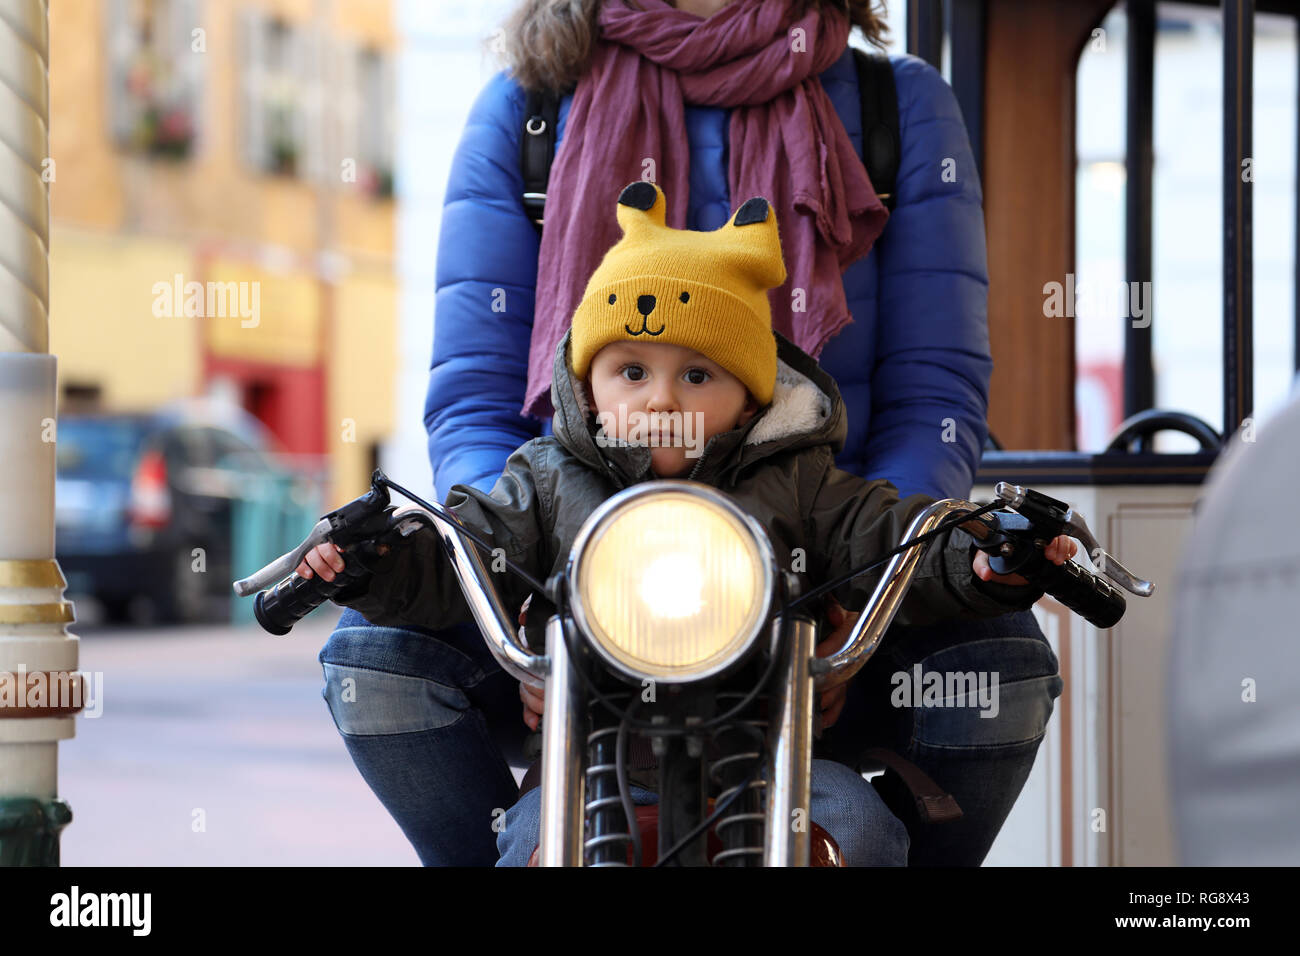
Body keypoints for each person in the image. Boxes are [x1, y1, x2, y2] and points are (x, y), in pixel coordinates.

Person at [319, 0, 1065, 867]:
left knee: (1000, 668)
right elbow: (479, 399)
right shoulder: (527, 109)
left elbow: (931, 392)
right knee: (374, 658)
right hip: (568, 548)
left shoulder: (898, 106)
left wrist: (859, 592)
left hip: (818, 545)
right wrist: (532, 607)